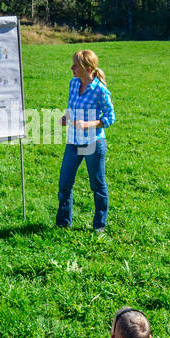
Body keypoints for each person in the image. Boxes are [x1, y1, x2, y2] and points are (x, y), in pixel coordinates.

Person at [56, 49, 115, 232]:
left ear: (88, 68)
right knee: (64, 183)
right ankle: (63, 224)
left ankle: (99, 225)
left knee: (97, 185)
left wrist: (89, 124)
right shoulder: (73, 84)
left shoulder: (100, 91)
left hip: (93, 143)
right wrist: (66, 117)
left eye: (76, 65)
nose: (72, 67)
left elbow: (110, 118)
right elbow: (71, 106)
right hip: (73, 141)